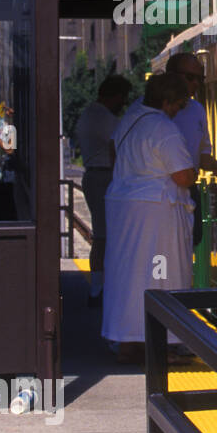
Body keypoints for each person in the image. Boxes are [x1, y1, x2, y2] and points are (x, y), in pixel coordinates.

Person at [101, 72, 196, 365]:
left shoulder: (130, 119)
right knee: (160, 274)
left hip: (123, 206)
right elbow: (182, 176)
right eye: (179, 105)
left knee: (127, 276)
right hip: (157, 214)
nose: (179, 110)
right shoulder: (162, 128)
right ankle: (160, 345)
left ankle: (128, 343)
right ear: (167, 101)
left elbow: (112, 153)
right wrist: (196, 174)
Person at [74, 75, 131, 305]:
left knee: (103, 234)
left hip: (95, 175)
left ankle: (99, 287)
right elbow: (119, 147)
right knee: (105, 236)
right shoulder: (103, 118)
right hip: (104, 177)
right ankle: (99, 290)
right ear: (115, 96)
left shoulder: (89, 113)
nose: (123, 104)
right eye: (123, 99)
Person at [165, 52, 217, 246]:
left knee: (189, 242)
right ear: (171, 76)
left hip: (187, 190)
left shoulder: (197, 110)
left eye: (200, 79)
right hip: (161, 194)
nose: (196, 84)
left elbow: (201, 154)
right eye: (190, 77)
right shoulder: (151, 111)